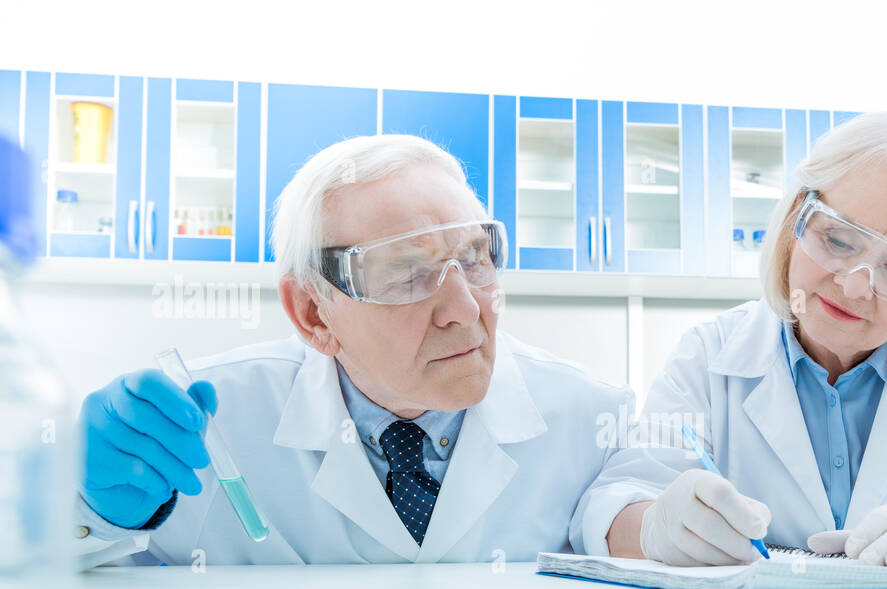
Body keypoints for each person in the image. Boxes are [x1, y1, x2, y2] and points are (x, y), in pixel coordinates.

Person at [74, 134, 631, 565]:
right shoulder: (202, 432)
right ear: (314, 314)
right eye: (409, 273)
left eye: (473, 259)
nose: (464, 307)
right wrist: (88, 511)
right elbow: (39, 575)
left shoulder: (595, 423)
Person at [570, 111, 887, 567]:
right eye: (839, 241)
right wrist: (657, 527)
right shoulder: (709, 357)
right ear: (797, 217)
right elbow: (609, 509)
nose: (855, 286)